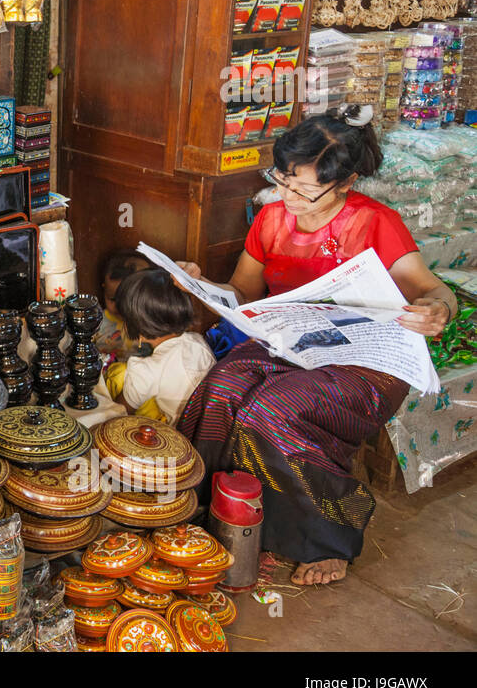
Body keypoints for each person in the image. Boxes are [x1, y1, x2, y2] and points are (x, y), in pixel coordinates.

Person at [175, 110, 456, 586]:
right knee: (222, 387)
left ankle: (326, 539)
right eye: (281, 180)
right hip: (290, 342)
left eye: (302, 190)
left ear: (345, 182)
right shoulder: (271, 218)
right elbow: (244, 290)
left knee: (272, 411)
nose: (287, 197)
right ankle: (204, 507)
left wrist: (436, 309)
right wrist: (204, 286)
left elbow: (434, 290)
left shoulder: (375, 223)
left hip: (367, 361)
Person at [103, 268, 216, 425]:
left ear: (137, 328)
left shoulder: (147, 371)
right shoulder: (198, 342)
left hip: (177, 441)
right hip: (213, 432)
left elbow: (118, 415)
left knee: (117, 374)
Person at [94, 249, 152, 356]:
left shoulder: (151, 325)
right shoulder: (97, 323)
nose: (121, 307)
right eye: (113, 299)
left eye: (128, 301)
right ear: (104, 288)